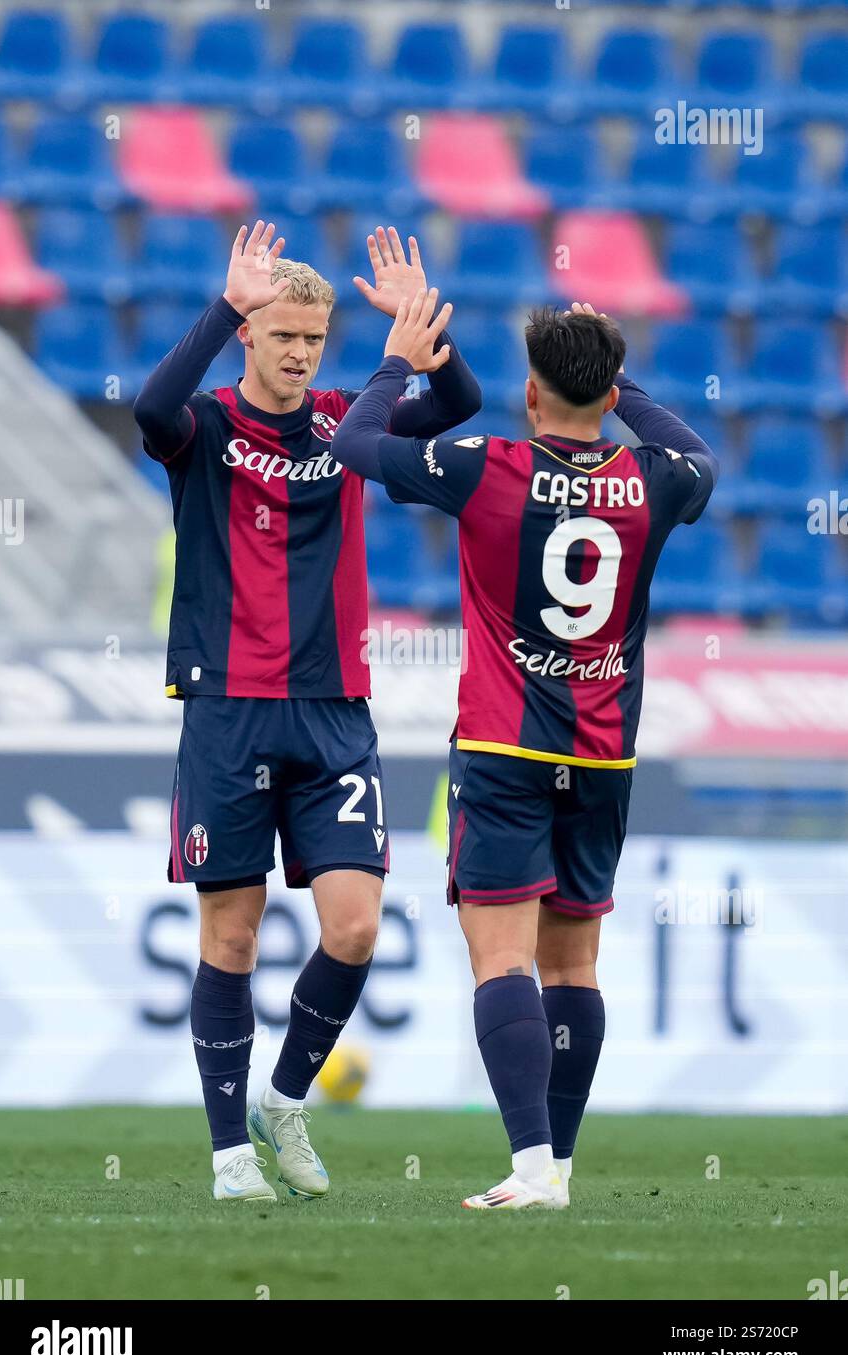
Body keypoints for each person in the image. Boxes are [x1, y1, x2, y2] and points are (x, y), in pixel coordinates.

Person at [330, 290, 718, 1210]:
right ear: (605, 388)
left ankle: (532, 1166)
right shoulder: (657, 478)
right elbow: (699, 454)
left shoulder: (487, 466)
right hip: (603, 757)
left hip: (505, 750)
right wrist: (612, 382)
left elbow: (351, 445)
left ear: (532, 397)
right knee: (573, 967)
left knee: (499, 962)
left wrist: (397, 360)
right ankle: (561, 1169)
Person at [134, 225, 480, 1203]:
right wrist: (224, 304)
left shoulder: (346, 419)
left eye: (313, 338)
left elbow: (462, 404)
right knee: (232, 941)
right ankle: (227, 1154)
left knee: (357, 927)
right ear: (251, 334)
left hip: (333, 712)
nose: (298, 352)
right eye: (281, 334)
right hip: (229, 711)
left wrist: (421, 328)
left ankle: (284, 1099)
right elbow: (151, 406)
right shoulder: (203, 428)